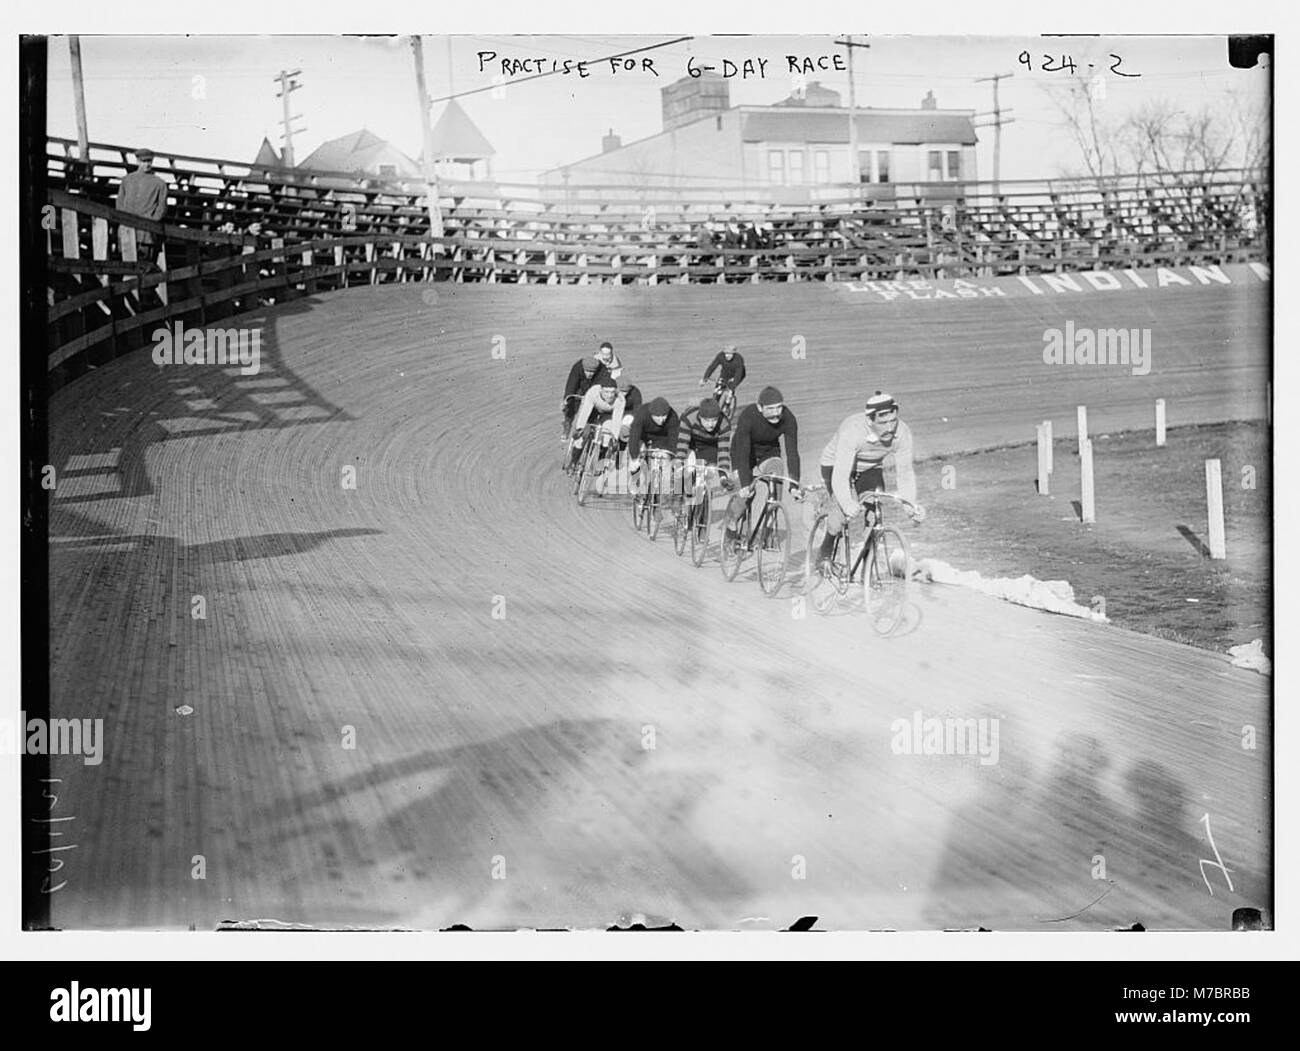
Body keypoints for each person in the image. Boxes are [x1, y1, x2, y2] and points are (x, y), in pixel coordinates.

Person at [814, 391, 926, 571]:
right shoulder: (853, 430)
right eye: (882, 423)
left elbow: (904, 473)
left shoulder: (903, 432)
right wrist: (847, 503)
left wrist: (910, 505)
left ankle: (866, 568)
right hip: (836, 466)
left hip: (870, 467)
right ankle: (825, 550)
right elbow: (841, 476)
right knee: (840, 514)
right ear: (870, 421)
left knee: (875, 513)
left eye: (893, 421)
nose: (889, 428)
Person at [723, 385, 803, 545]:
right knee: (746, 494)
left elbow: (792, 453)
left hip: (769, 452)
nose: (777, 413)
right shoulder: (748, 416)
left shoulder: (788, 418)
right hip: (743, 452)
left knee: (777, 473)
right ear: (760, 408)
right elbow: (743, 453)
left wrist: (794, 484)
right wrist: (746, 484)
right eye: (771, 408)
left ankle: (769, 526)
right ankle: (732, 523)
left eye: (779, 407)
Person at [115, 147, 168, 263]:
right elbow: (119, 203)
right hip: (127, 230)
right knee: (124, 265)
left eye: (149, 161)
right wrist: (124, 221)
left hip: (146, 234)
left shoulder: (159, 184)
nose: (147, 164)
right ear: (138, 162)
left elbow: (161, 208)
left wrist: (150, 223)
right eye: (144, 161)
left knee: (145, 267)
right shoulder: (127, 180)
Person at [569, 375, 626, 472]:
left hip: (608, 415)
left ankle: (601, 460)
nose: (610, 395)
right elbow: (585, 412)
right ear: (601, 390)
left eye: (612, 392)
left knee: (607, 436)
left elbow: (617, 420)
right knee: (582, 437)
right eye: (606, 392)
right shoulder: (593, 392)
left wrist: (615, 438)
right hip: (592, 411)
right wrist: (580, 429)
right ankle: (573, 461)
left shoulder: (620, 400)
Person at [562, 355, 607, 437]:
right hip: (581, 387)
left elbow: (602, 388)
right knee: (571, 402)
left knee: (594, 407)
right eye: (587, 371)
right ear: (583, 368)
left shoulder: (603, 371)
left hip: (595, 388)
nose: (589, 374)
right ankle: (567, 422)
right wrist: (566, 399)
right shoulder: (577, 367)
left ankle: (591, 425)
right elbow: (571, 384)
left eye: (592, 372)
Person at [699, 344, 746, 413]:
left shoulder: (739, 359)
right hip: (725, 374)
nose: (727, 356)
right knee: (717, 392)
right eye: (726, 354)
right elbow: (712, 367)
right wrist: (704, 378)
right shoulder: (720, 356)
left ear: (734, 354)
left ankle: (727, 406)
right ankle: (715, 406)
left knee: (729, 391)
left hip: (737, 375)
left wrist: (731, 388)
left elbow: (738, 375)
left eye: (730, 354)